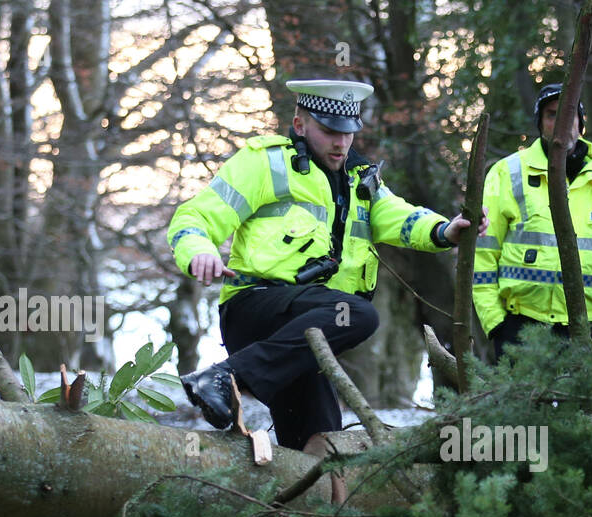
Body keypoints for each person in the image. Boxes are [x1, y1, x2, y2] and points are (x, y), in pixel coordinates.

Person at [167, 79, 487, 467]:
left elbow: (401, 216)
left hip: (305, 337)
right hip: (256, 309)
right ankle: (224, 377)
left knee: (322, 448)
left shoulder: (361, 180)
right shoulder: (264, 163)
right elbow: (195, 215)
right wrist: (199, 250)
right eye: (330, 132)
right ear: (300, 125)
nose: (341, 143)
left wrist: (444, 230)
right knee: (357, 313)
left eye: (348, 133)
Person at [473, 83, 592, 382]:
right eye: (552, 115)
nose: (562, 123)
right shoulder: (506, 174)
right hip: (520, 327)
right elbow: (482, 254)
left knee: (582, 423)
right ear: (540, 124)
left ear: (581, 123)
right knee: (523, 425)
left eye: (569, 114)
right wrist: (496, 323)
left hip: (590, 332)